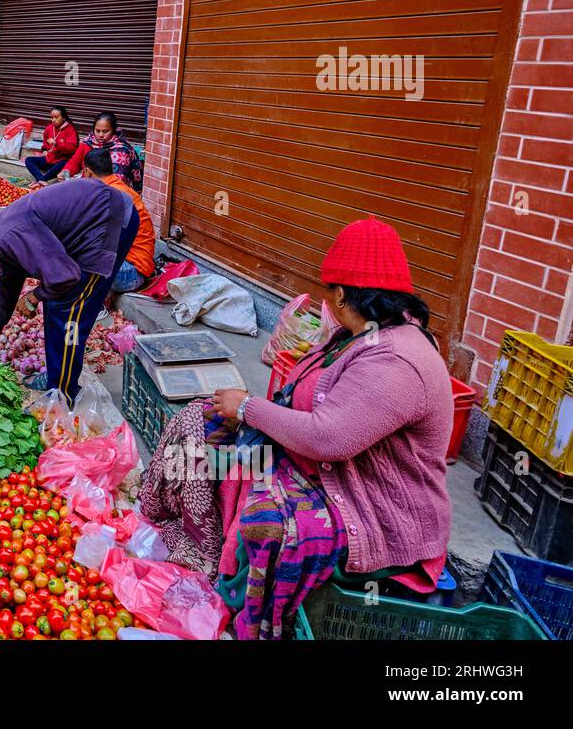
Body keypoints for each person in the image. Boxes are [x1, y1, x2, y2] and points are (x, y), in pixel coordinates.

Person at [139, 217, 452, 640]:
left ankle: (242, 603)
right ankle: (193, 534)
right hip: (316, 465)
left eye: (328, 291)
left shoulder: (398, 359)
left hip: (367, 504)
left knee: (266, 519)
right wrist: (244, 413)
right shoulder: (353, 336)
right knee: (198, 424)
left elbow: (330, 438)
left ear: (341, 294)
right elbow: (304, 403)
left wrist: (249, 409)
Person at [0, 176, 137, 400]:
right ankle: (56, 379)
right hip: (94, 215)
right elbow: (8, 285)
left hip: (110, 220)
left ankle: (62, 393)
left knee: (68, 311)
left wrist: (34, 296)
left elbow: (65, 276)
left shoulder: (7, 237)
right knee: (57, 302)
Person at [80, 148, 155, 293]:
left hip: (131, 272)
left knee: (73, 260)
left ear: (87, 171)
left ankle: (93, 305)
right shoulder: (116, 187)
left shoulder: (108, 194)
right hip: (135, 266)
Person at [59, 111, 141, 189]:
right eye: (97, 131)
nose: (100, 135)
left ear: (113, 130)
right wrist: (66, 171)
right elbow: (75, 162)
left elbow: (119, 182)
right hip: (87, 188)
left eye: (105, 131)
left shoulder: (122, 151)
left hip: (112, 192)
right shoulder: (87, 143)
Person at [25, 106, 79, 182]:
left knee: (63, 164)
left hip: (61, 160)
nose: (53, 120)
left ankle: (40, 180)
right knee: (29, 160)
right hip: (49, 158)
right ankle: (41, 180)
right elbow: (45, 140)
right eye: (52, 117)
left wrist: (57, 144)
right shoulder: (49, 128)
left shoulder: (70, 129)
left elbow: (72, 148)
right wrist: (44, 149)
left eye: (56, 117)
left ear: (63, 118)